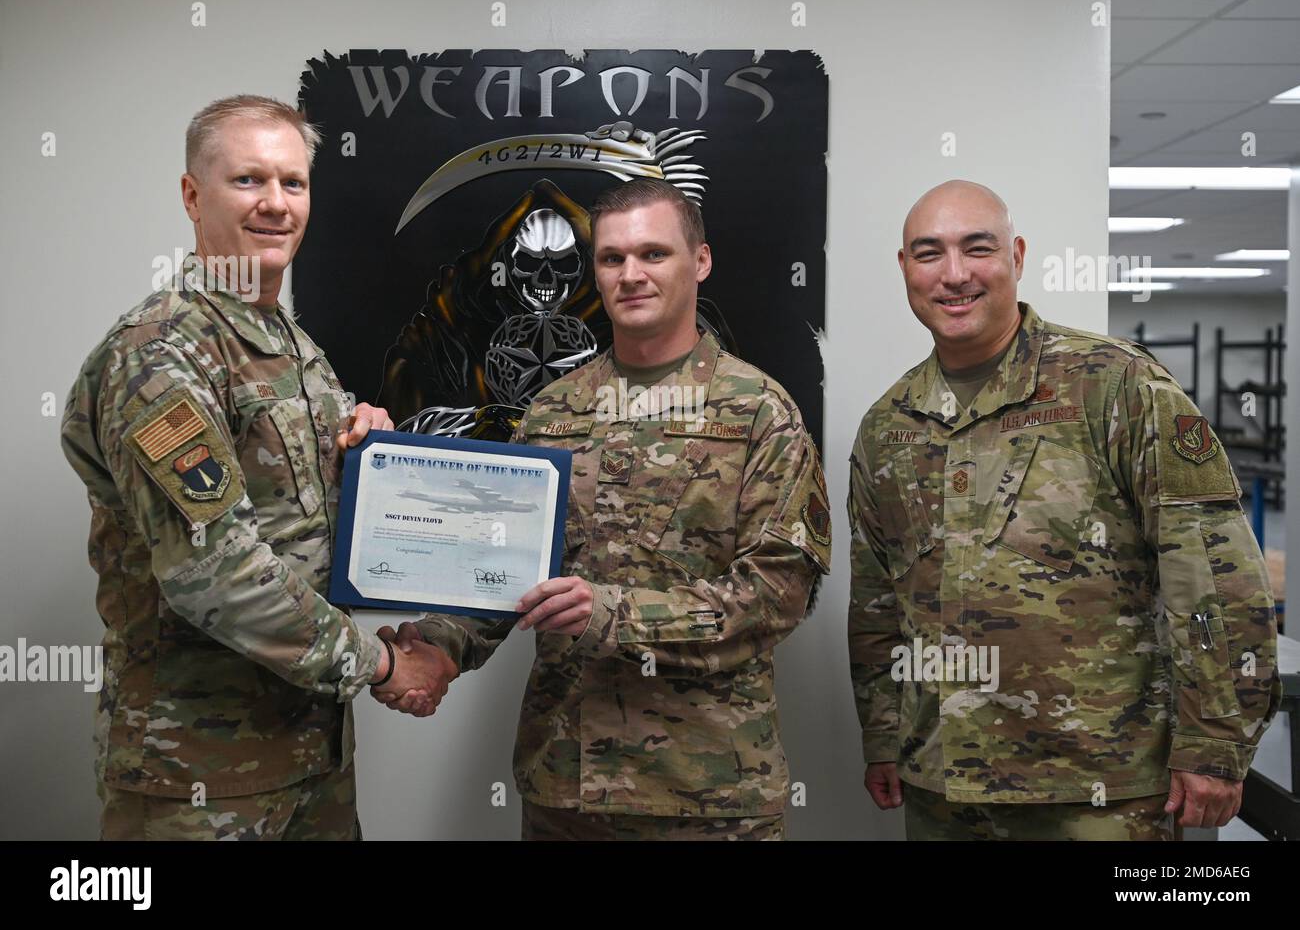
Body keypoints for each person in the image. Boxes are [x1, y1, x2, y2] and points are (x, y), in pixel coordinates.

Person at [375, 179, 831, 840]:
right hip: (568, 785)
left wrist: (611, 612)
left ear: (699, 261)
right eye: (613, 259)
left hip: (710, 792)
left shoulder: (758, 412)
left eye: (654, 254)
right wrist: (440, 651)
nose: (632, 274)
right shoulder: (553, 412)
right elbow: (502, 568)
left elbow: (775, 596)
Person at [60, 95, 457, 840]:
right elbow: (217, 571)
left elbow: (304, 522)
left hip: (312, 759)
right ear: (191, 195)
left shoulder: (292, 348)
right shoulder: (161, 352)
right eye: (248, 181)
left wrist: (371, 457)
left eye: (294, 182)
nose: (276, 204)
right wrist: (379, 665)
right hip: (201, 777)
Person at [847, 179, 1280, 840]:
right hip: (944, 784)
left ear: (1016, 256)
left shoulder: (1115, 385)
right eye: (929, 253)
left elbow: (1212, 572)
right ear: (905, 268)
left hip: (1097, 788)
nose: (955, 274)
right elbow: (879, 598)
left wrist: (1217, 745)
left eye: (977, 248)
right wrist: (883, 736)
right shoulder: (890, 425)